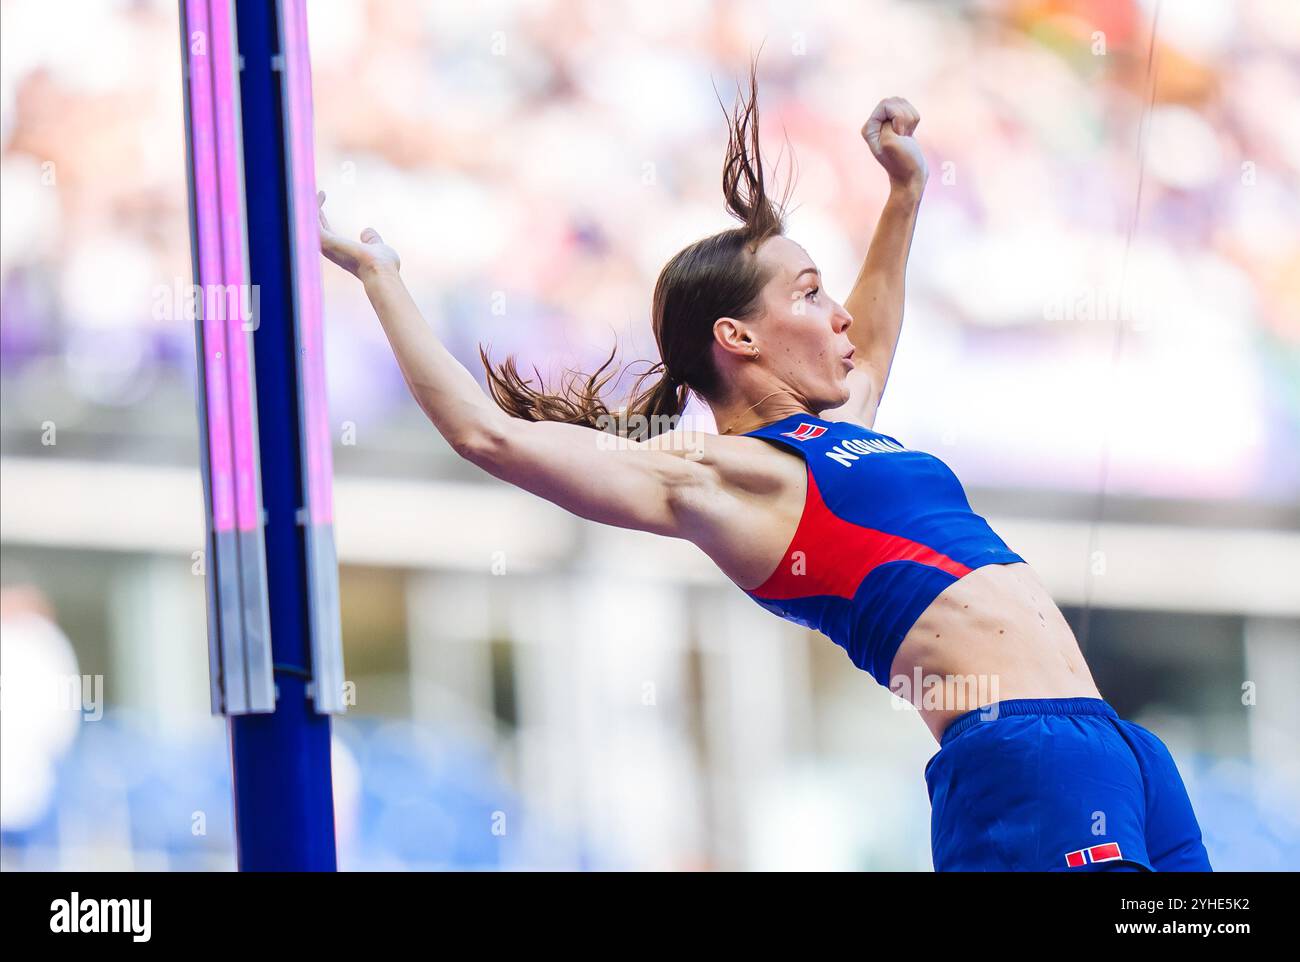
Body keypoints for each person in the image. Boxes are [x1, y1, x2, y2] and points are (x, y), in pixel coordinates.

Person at [317, 65, 1211, 873]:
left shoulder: (843, 435)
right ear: (737, 338)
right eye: (811, 293)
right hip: (1021, 755)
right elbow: (489, 437)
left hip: (1120, 751)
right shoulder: (725, 476)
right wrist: (381, 276)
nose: (839, 320)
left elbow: (877, 333)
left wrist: (905, 190)